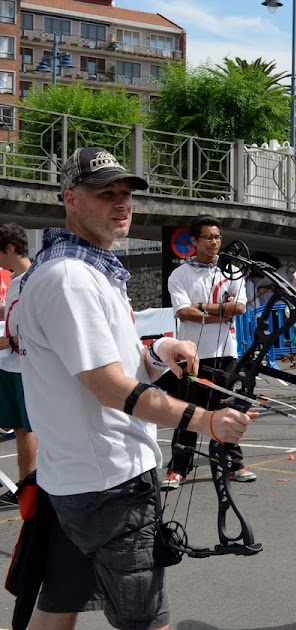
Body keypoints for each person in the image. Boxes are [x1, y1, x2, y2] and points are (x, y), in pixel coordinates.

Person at [14, 147, 256, 630]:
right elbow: (107, 387)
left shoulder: (82, 267)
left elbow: (102, 369)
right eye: (106, 194)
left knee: (56, 607)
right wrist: (205, 420)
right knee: (146, 622)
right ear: (71, 200)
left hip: (76, 480)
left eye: (126, 194)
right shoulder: (71, 279)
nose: (121, 204)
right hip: (110, 484)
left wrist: (157, 352)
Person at [160, 215, 255, 490]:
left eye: (217, 237)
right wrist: (217, 313)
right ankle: (178, 468)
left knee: (226, 410)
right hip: (191, 355)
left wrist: (201, 308)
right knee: (189, 412)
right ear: (194, 241)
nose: (214, 242)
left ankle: (234, 465)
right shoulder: (180, 274)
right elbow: (183, 312)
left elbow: (238, 308)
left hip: (226, 352)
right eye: (208, 237)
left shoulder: (232, 271)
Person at [0, 223, 37, 485]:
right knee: (22, 429)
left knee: (30, 429)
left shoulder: (36, 278)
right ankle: (27, 484)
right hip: (11, 367)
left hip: (27, 367)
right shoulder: (15, 280)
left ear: (10, 249)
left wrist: (7, 341)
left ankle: (30, 484)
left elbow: (38, 328)